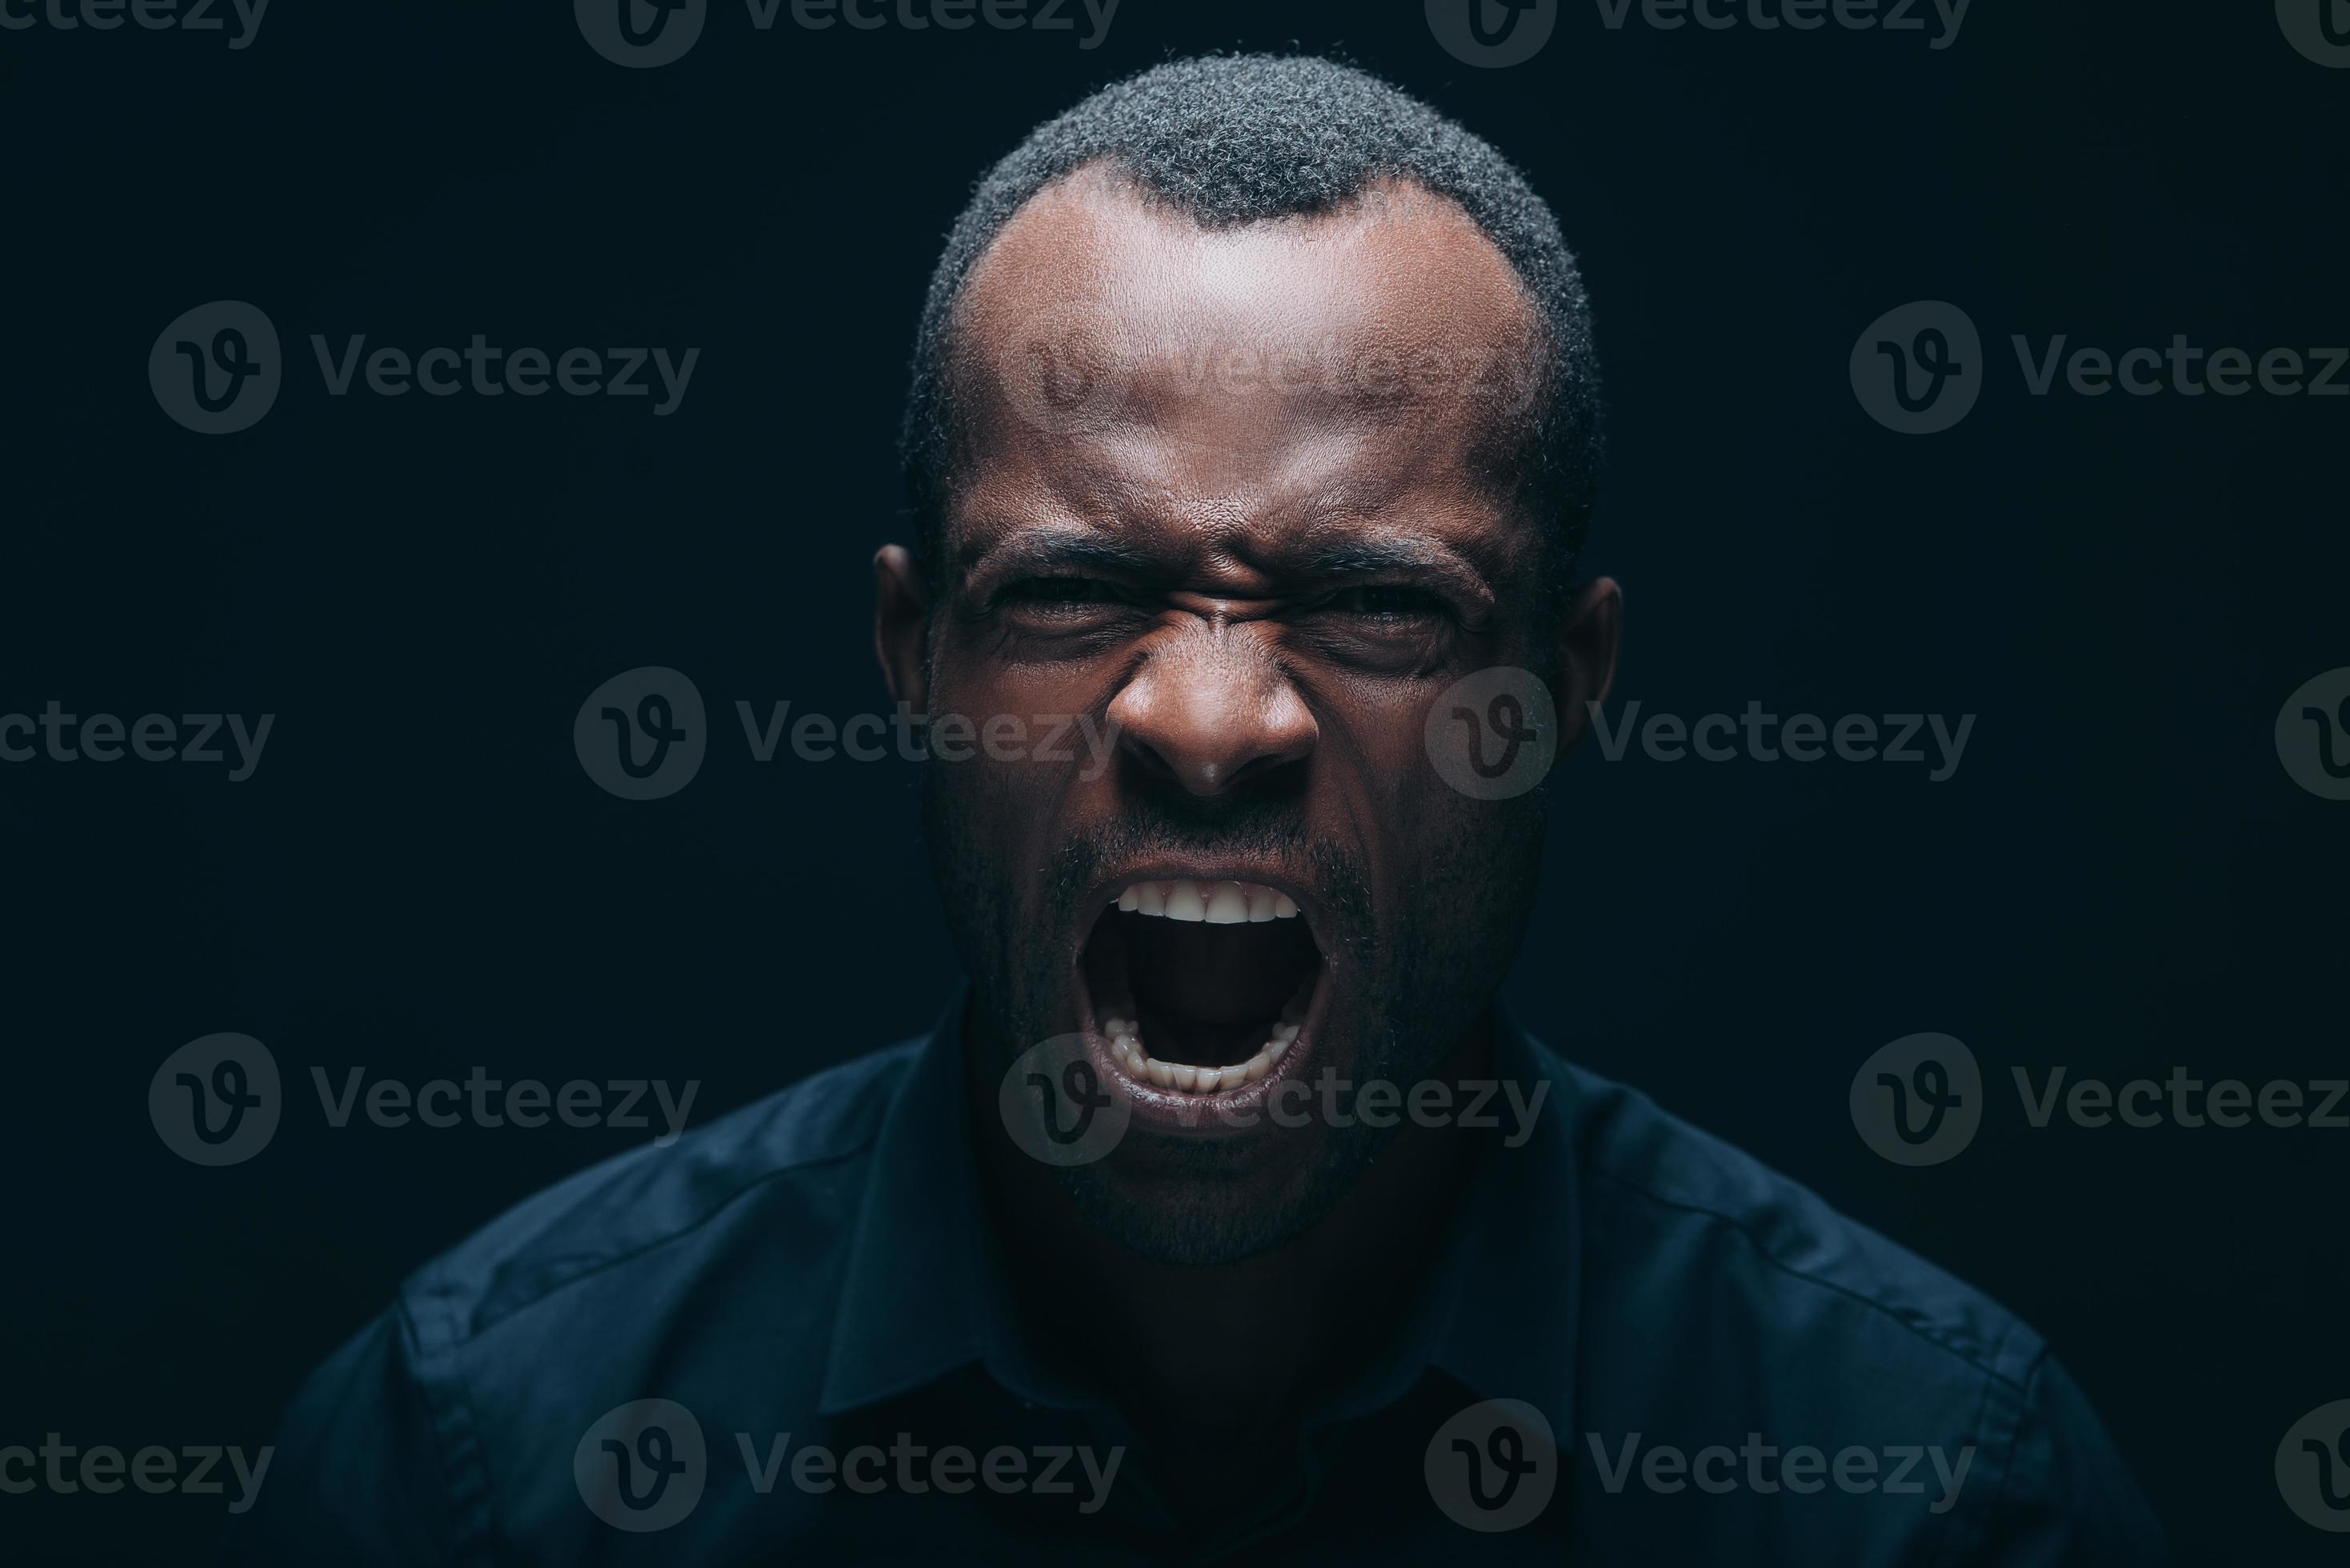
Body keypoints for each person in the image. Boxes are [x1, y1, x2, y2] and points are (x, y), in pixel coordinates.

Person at [230, 54, 2165, 1562]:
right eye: (1070, 592)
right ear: (908, 656)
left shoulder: (1928, 1498)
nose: (1209, 719)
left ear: (1563, 689)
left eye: (1381, 606)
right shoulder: (481, 1470)